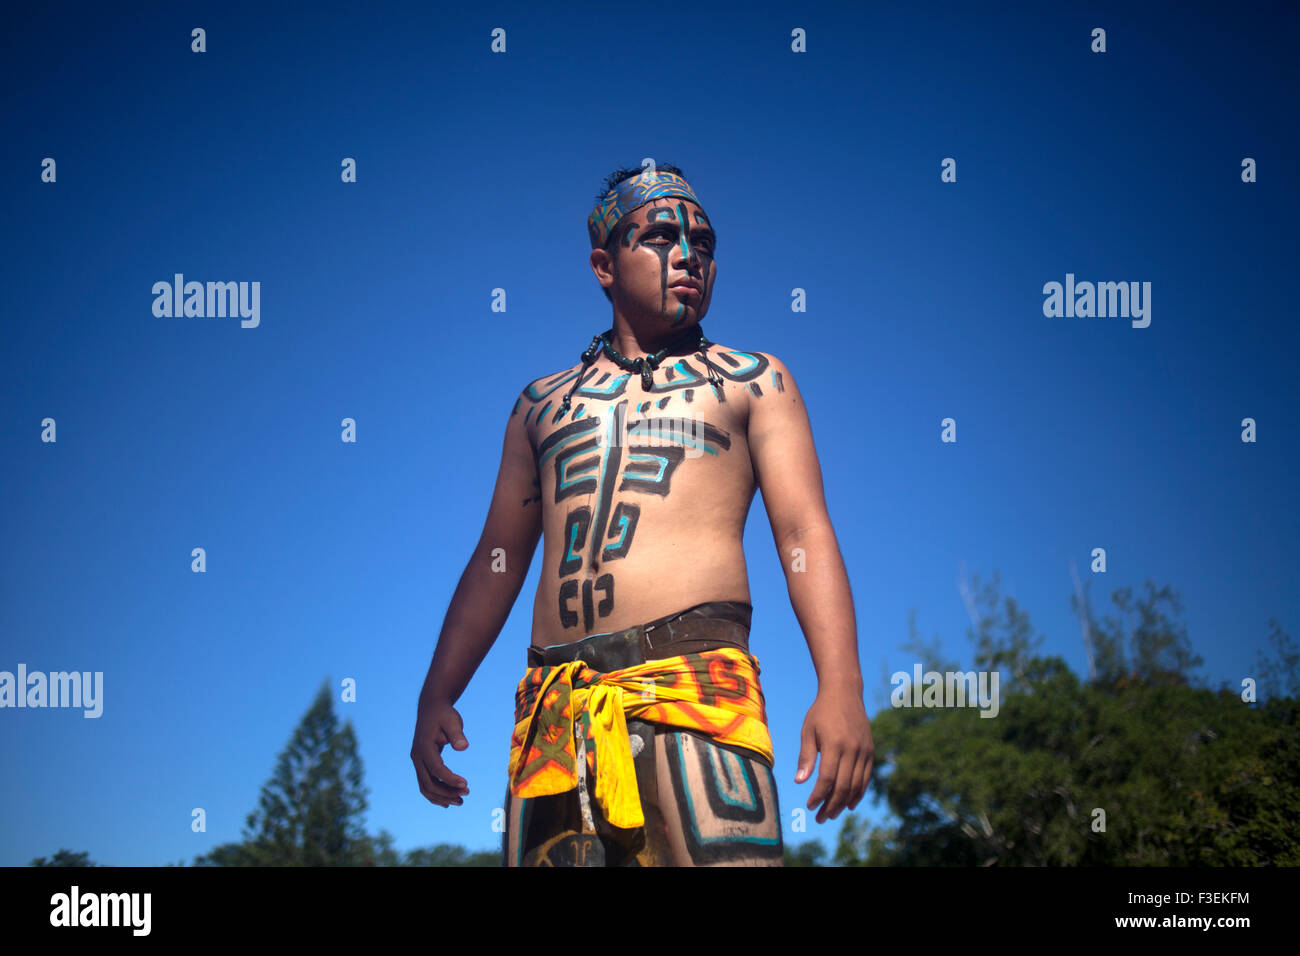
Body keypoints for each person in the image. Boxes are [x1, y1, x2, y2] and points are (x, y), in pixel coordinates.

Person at [410, 162, 873, 866]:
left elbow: (804, 534)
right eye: (661, 237)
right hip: (556, 712)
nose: (690, 256)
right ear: (604, 264)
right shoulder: (541, 405)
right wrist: (437, 691)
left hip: (695, 691)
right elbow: (495, 558)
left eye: (705, 244)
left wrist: (840, 684)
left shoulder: (754, 381)